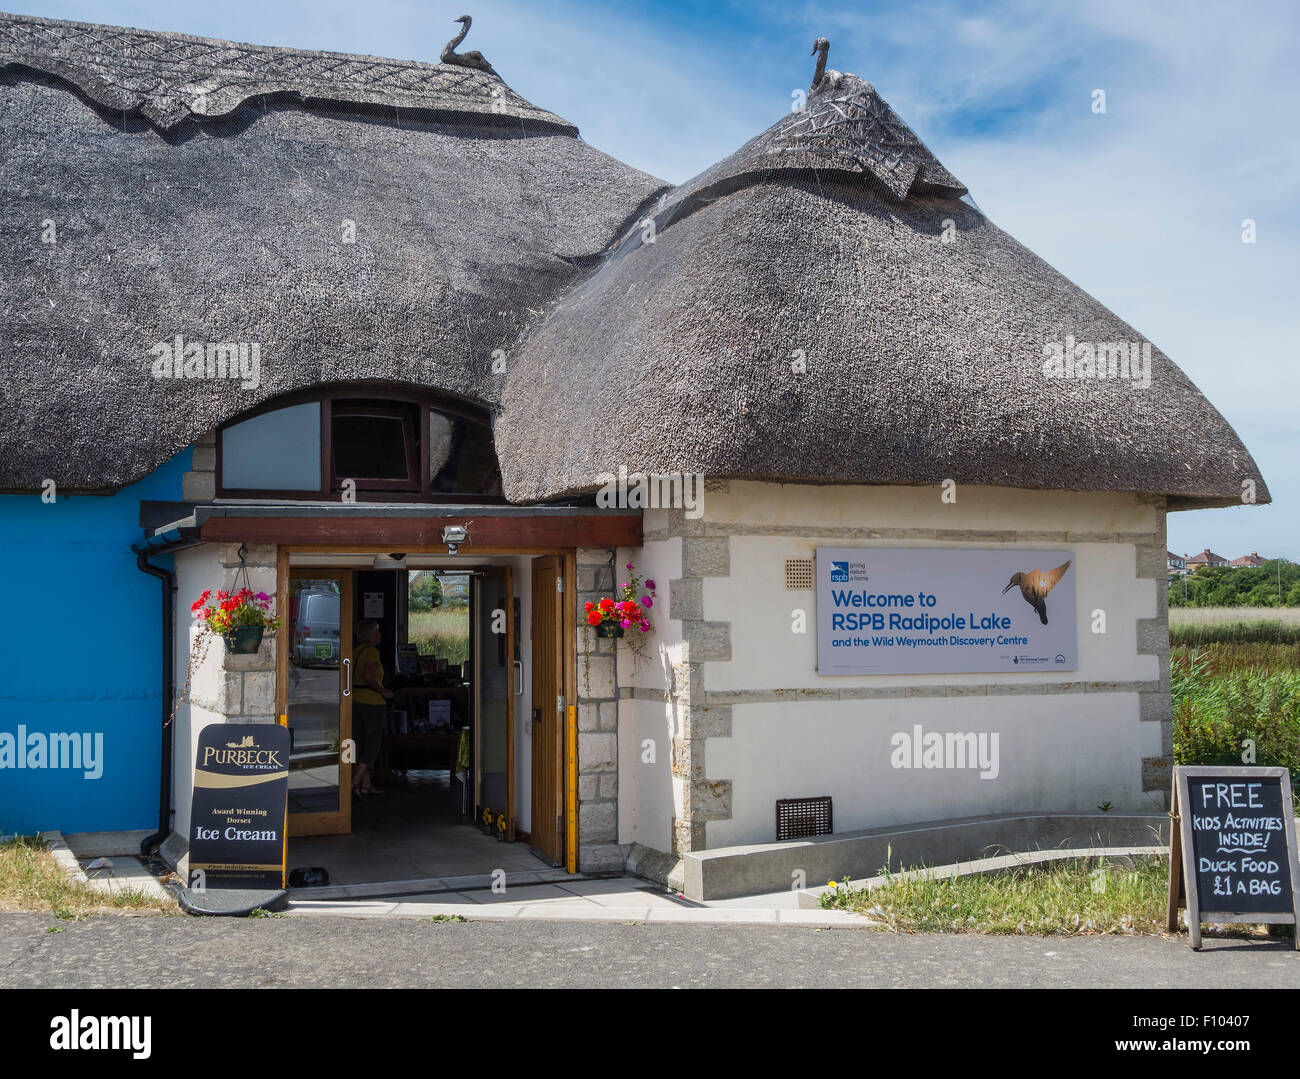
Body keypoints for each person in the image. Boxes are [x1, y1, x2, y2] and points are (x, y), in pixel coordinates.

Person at [352, 619, 392, 797]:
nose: (380, 634)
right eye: (377, 631)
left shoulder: (356, 651)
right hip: (372, 704)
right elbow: (369, 676)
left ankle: (365, 785)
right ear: (369, 635)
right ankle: (353, 783)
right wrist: (383, 691)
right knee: (372, 746)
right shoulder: (371, 652)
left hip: (354, 701)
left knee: (359, 743)